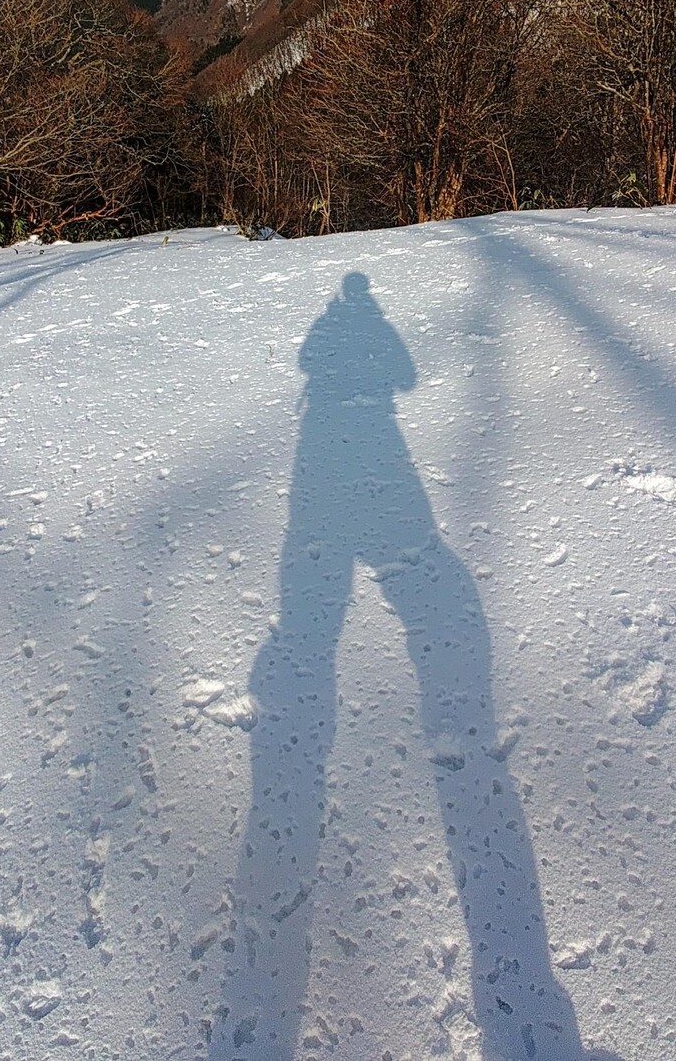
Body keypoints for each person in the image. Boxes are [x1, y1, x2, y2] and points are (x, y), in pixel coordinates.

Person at [208, 273, 586, 1060]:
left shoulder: (327, 358)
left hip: (332, 470)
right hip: (361, 464)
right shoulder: (351, 353)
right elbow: (404, 375)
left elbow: (384, 372)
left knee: (314, 612)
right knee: (376, 598)